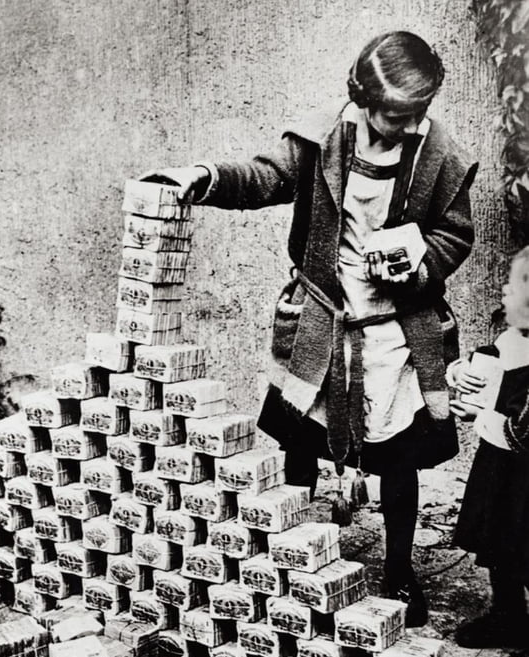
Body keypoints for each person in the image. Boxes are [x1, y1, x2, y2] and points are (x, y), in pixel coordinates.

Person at [141, 30, 477, 626]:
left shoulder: (440, 156)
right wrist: (205, 176)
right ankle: (288, 557)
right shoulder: (322, 139)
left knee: (398, 459)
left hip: (396, 331)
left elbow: (455, 233)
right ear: (362, 98)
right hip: (322, 321)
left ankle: (399, 571)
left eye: (419, 113)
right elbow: (264, 178)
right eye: (395, 116)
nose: (407, 127)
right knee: (299, 441)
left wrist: (420, 262)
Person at [449, 247, 529, 657]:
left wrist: (479, 415)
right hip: (502, 467)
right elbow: (490, 365)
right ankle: (508, 615)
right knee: (498, 538)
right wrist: (461, 373)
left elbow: (523, 430)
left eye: (516, 285)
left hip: (524, 467)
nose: (504, 288)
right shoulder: (514, 339)